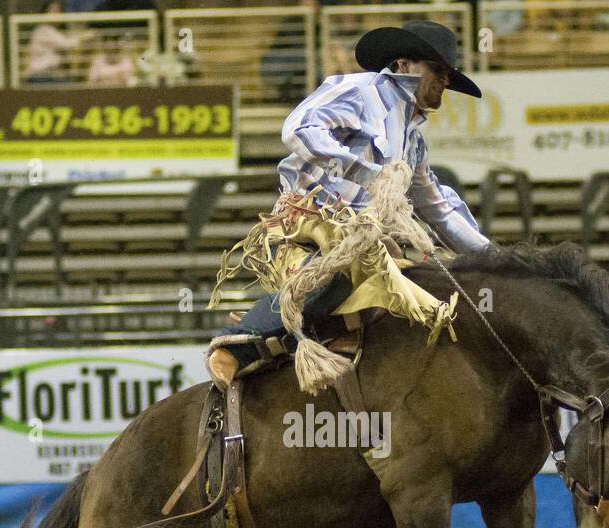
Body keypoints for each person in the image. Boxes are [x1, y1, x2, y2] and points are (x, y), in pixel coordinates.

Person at [206, 20, 491, 388]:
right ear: (404, 65)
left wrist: (494, 258)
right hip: (306, 227)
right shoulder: (358, 90)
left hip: (365, 240)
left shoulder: (413, 142)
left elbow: (439, 209)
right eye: (438, 69)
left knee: (419, 281)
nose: (445, 81)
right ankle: (237, 344)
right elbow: (298, 129)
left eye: (449, 73)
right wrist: (369, 174)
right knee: (345, 269)